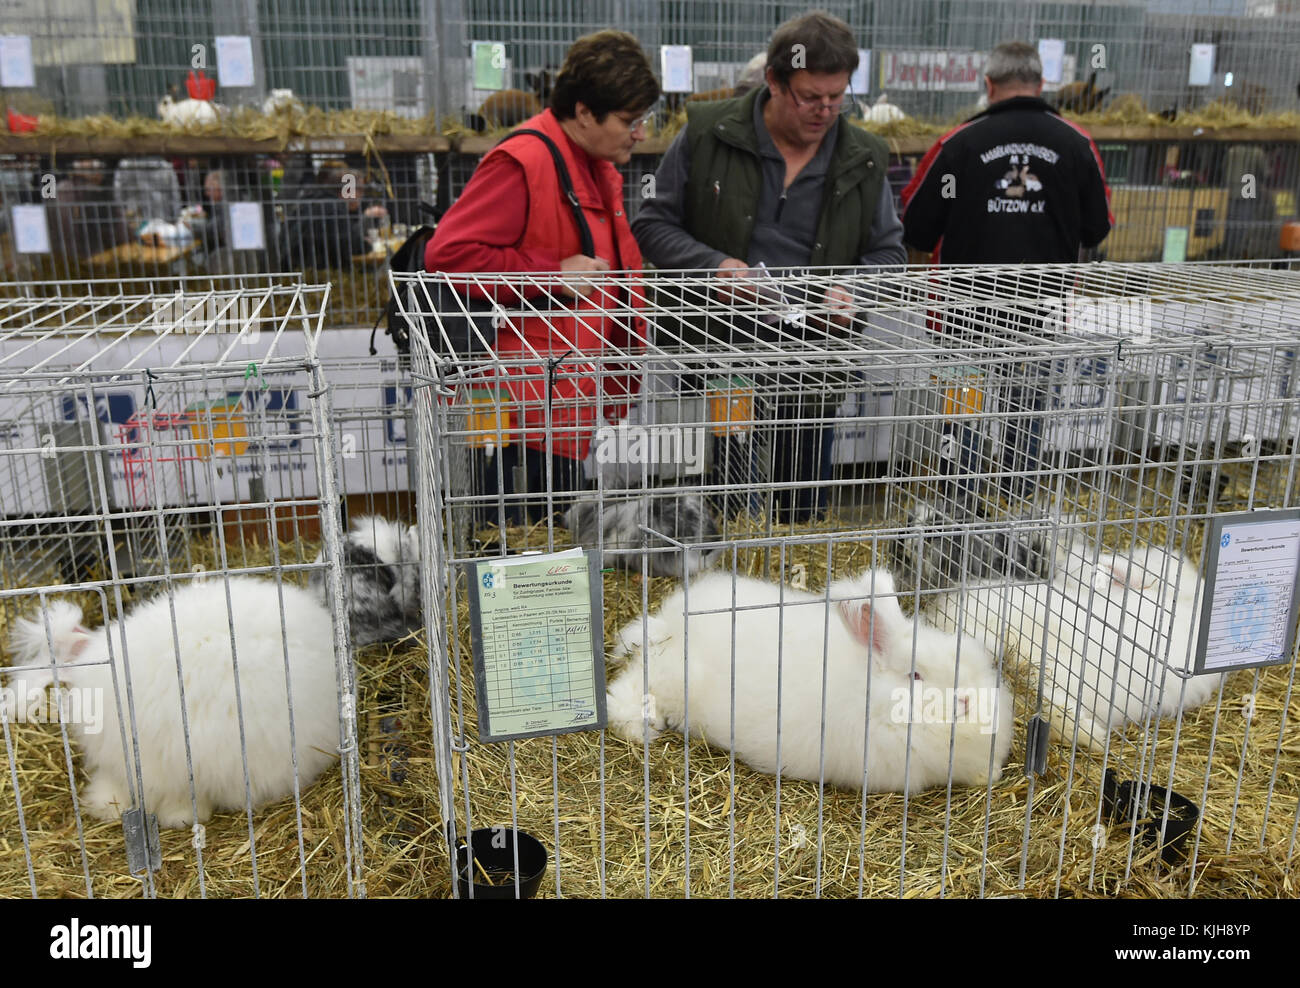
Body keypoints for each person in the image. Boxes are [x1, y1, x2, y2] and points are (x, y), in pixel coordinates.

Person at [632, 10, 906, 523]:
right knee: (730, 505)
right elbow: (653, 223)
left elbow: (889, 251)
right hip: (722, 349)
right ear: (775, 82)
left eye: (836, 97)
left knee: (802, 506)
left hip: (813, 353)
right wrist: (714, 267)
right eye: (809, 97)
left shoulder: (863, 156)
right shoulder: (708, 134)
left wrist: (854, 290)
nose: (824, 111)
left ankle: (798, 573)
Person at [424, 29, 659, 527]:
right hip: (524, 407)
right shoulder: (525, 161)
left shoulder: (590, 164)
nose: (639, 132)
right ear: (584, 112)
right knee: (520, 543)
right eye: (628, 120)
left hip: (564, 396)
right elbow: (448, 256)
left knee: (555, 540)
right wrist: (552, 275)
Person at [899, 40, 1114, 510]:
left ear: (988, 85)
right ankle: (1017, 518)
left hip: (963, 316)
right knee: (1026, 416)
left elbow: (915, 223)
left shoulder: (957, 144)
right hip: (1040, 310)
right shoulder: (1077, 145)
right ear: (1041, 84)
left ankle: (957, 518)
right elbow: (1098, 227)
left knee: (964, 419)